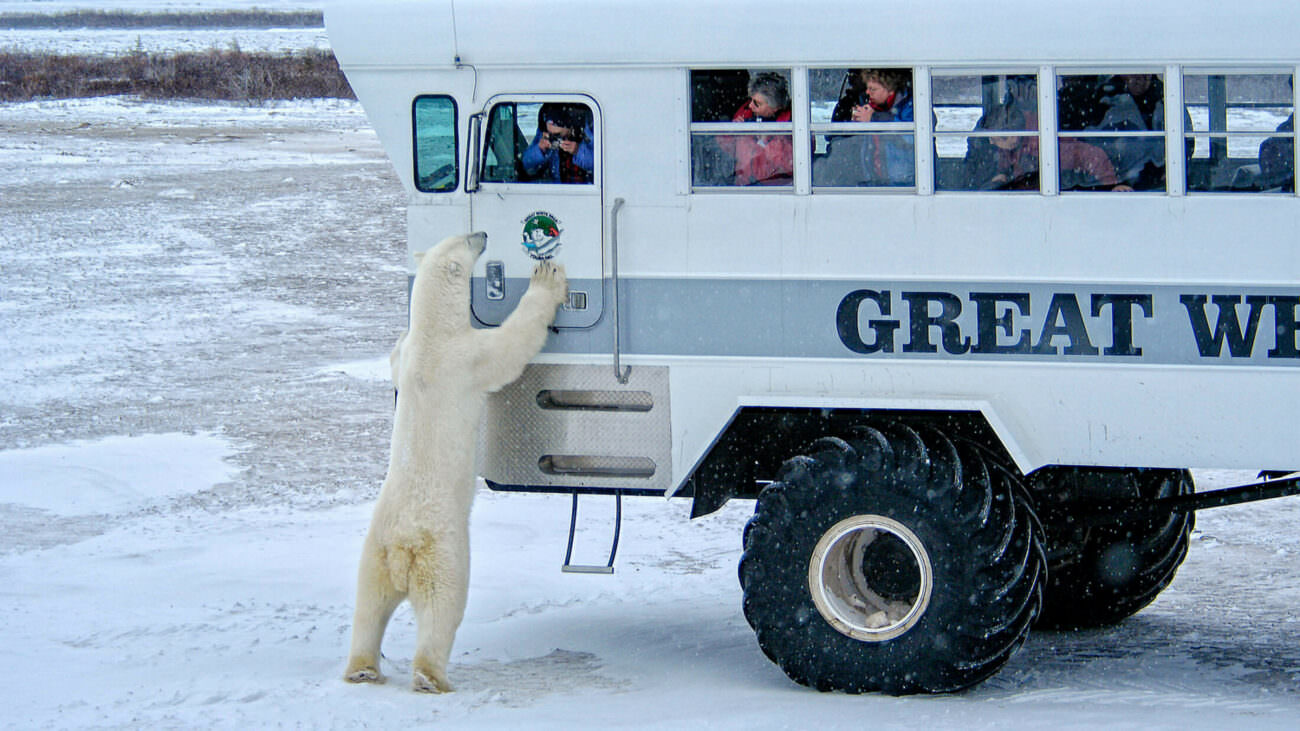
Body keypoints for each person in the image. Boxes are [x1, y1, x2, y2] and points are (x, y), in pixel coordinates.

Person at [976, 104, 1132, 191]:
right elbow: (1006, 160)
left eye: (995, 139)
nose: (991, 143)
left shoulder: (1047, 145)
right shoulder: (1012, 143)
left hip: (1068, 190)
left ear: (1013, 135)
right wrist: (1002, 175)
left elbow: (1091, 156)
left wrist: (1111, 186)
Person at [817, 68, 915, 186]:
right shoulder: (867, 105)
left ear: (889, 89)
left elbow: (909, 137)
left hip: (906, 185)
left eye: (873, 89)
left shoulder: (913, 106)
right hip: (872, 183)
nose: (868, 92)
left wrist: (873, 119)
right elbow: (833, 138)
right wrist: (851, 125)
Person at [719, 72, 793, 186]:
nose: (750, 106)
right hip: (743, 184)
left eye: (757, 103)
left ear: (775, 107)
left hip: (777, 187)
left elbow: (791, 164)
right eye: (751, 100)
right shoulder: (745, 113)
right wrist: (732, 132)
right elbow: (724, 149)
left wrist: (764, 142)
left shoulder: (793, 125)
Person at [522, 103, 594, 184]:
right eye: (550, 134)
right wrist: (540, 149)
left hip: (585, 188)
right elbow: (526, 163)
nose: (554, 138)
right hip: (558, 187)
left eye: (557, 135)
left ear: (570, 127)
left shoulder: (588, 133)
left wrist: (578, 151)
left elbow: (601, 165)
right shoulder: (545, 133)